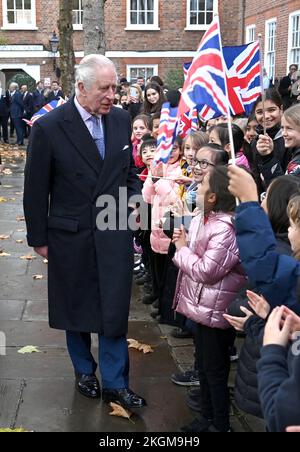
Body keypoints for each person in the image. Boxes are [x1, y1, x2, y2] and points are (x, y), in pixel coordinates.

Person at [23, 54, 146, 410]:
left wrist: (136, 202)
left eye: (115, 88)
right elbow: (35, 190)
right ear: (80, 87)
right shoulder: (49, 127)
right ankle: (84, 372)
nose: (112, 95)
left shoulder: (121, 119)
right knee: (74, 307)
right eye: (104, 89)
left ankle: (117, 382)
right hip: (69, 235)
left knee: (114, 308)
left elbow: (127, 174)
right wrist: (39, 239)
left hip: (113, 231)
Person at [173, 166, 246, 432]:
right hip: (202, 308)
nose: (197, 189)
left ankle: (221, 423)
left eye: (202, 186)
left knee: (215, 371)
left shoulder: (226, 228)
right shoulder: (205, 219)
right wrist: (185, 241)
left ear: (213, 196)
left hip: (217, 311)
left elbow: (207, 271)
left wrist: (181, 251)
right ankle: (206, 417)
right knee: (203, 366)